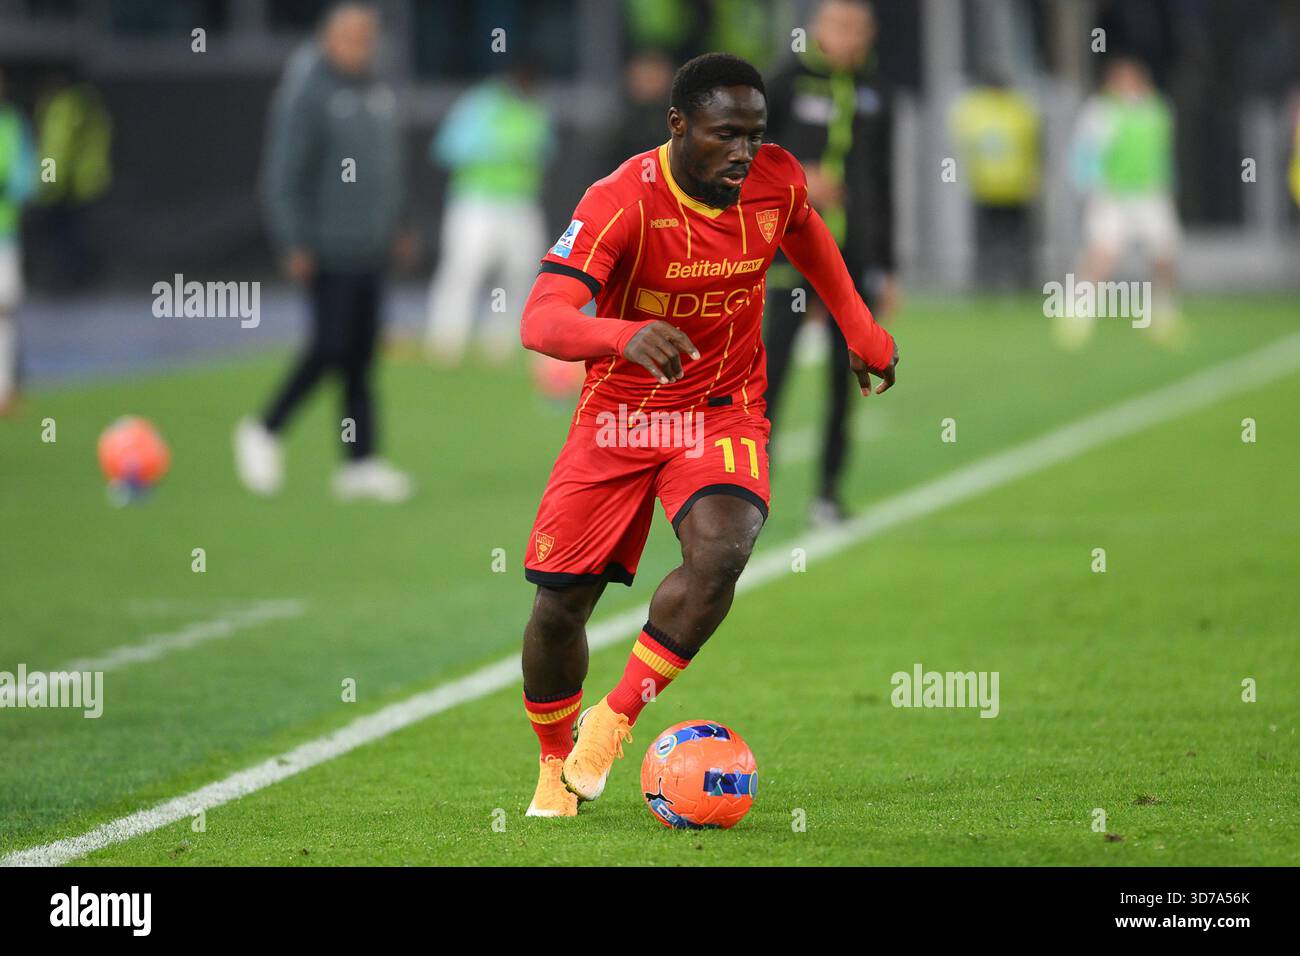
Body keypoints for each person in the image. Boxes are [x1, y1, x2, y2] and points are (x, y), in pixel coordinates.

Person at [515, 53, 898, 817]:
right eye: (726, 135)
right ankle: (555, 763)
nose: (743, 153)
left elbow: (810, 237)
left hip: (721, 406)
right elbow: (541, 319)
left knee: (723, 550)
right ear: (678, 125)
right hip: (620, 413)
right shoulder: (620, 200)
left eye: (754, 135)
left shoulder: (775, 179)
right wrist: (620, 336)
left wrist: (860, 326)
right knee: (561, 607)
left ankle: (614, 720)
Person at [235, 2, 414, 502]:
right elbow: (282, 173)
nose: (363, 46)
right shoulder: (306, 91)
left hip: (370, 245)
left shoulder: (376, 90)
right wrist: (293, 238)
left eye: (369, 37)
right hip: (327, 245)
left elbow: (387, 166)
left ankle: (360, 463)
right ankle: (264, 428)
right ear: (328, 37)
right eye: (353, 36)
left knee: (360, 354)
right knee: (330, 346)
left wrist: (399, 220)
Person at [761, 0, 899, 528]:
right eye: (840, 25)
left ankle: (827, 493)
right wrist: (798, 180)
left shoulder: (877, 93)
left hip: (853, 258)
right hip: (788, 259)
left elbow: (886, 183)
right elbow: (745, 150)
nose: (850, 37)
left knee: (849, 380)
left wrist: (888, 266)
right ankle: (747, 495)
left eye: (860, 28)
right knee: (771, 375)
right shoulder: (785, 81)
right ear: (817, 29)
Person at [424, 60, 554, 366]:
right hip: (476, 200)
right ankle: (446, 342)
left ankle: (502, 341)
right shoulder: (480, 103)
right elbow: (448, 148)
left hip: (520, 201)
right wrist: (500, 147)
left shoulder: (536, 108)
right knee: (464, 268)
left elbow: (546, 150)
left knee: (522, 270)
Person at [1064, 56, 1181, 349]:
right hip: (1113, 194)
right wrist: (1088, 185)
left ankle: (1161, 312)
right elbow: (1083, 153)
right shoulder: (1101, 111)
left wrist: (1168, 184)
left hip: (1150, 194)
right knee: (1103, 255)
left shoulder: (1157, 110)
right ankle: (1078, 314)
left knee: (1164, 254)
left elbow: (1162, 152)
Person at [949, 65, 1041, 289]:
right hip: (991, 186)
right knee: (991, 240)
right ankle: (988, 282)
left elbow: (1033, 145)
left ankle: (1020, 282)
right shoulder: (1015, 108)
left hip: (1011, 186)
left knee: (1017, 241)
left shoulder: (984, 109)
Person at [0, 69, 36, 417]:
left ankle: (5, 388)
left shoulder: (12, 125)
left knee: (4, 312)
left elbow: (27, 182)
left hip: (3, 237)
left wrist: (9, 186)